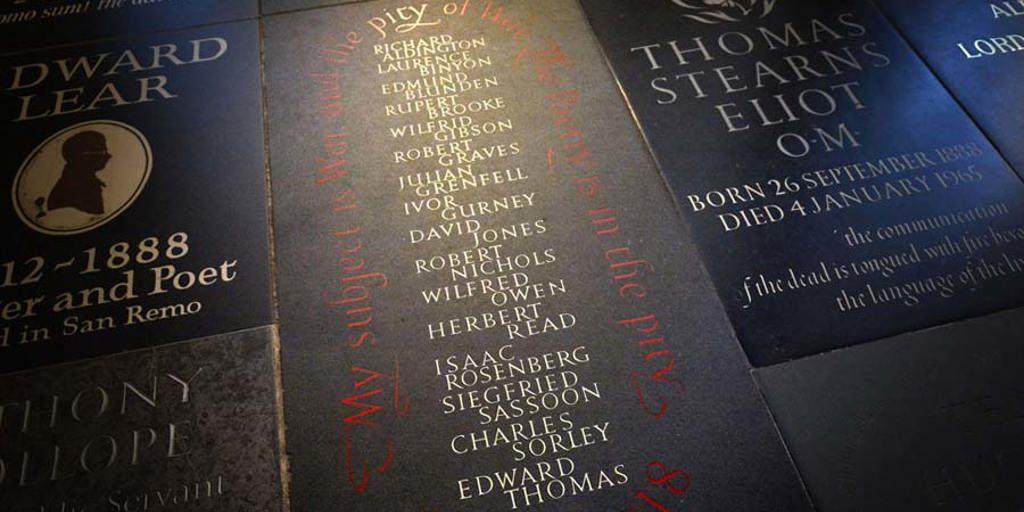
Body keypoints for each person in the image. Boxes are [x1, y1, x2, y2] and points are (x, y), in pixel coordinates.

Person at [45, 130, 111, 216]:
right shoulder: (74, 190)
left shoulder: (86, 184)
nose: (108, 156)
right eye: (102, 151)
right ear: (84, 156)